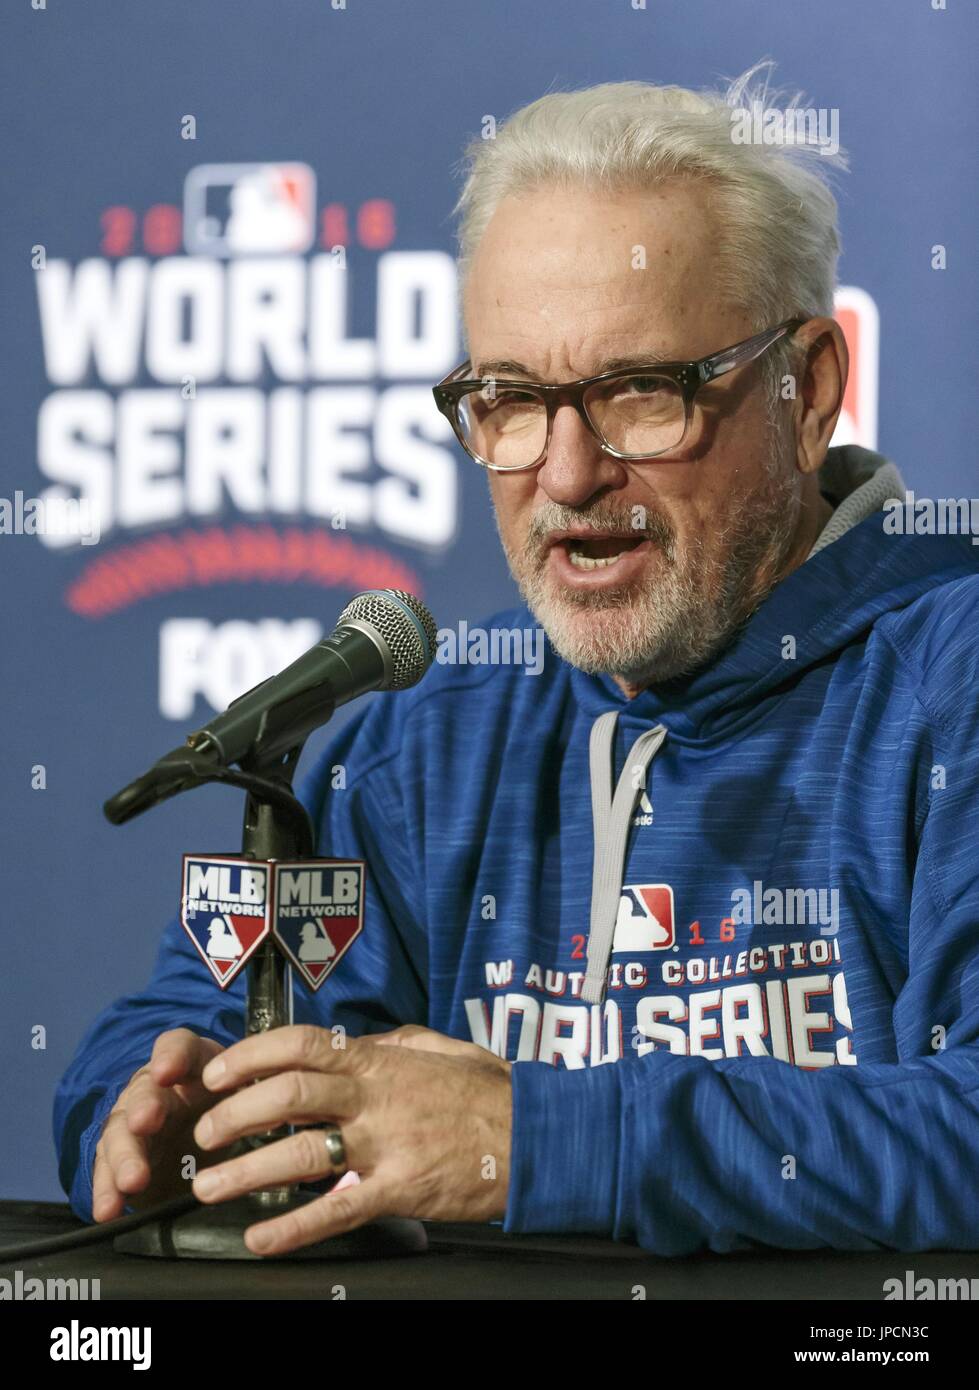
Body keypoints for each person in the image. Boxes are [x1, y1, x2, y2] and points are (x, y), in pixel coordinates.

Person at [54, 65, 979, 1258]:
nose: (566, 474)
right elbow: (186, 1018)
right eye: (510, 400)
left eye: (640, 393)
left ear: (809, 393)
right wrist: (160, 1115)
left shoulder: (951, 677)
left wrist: (532, 1138)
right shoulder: (425, 740)